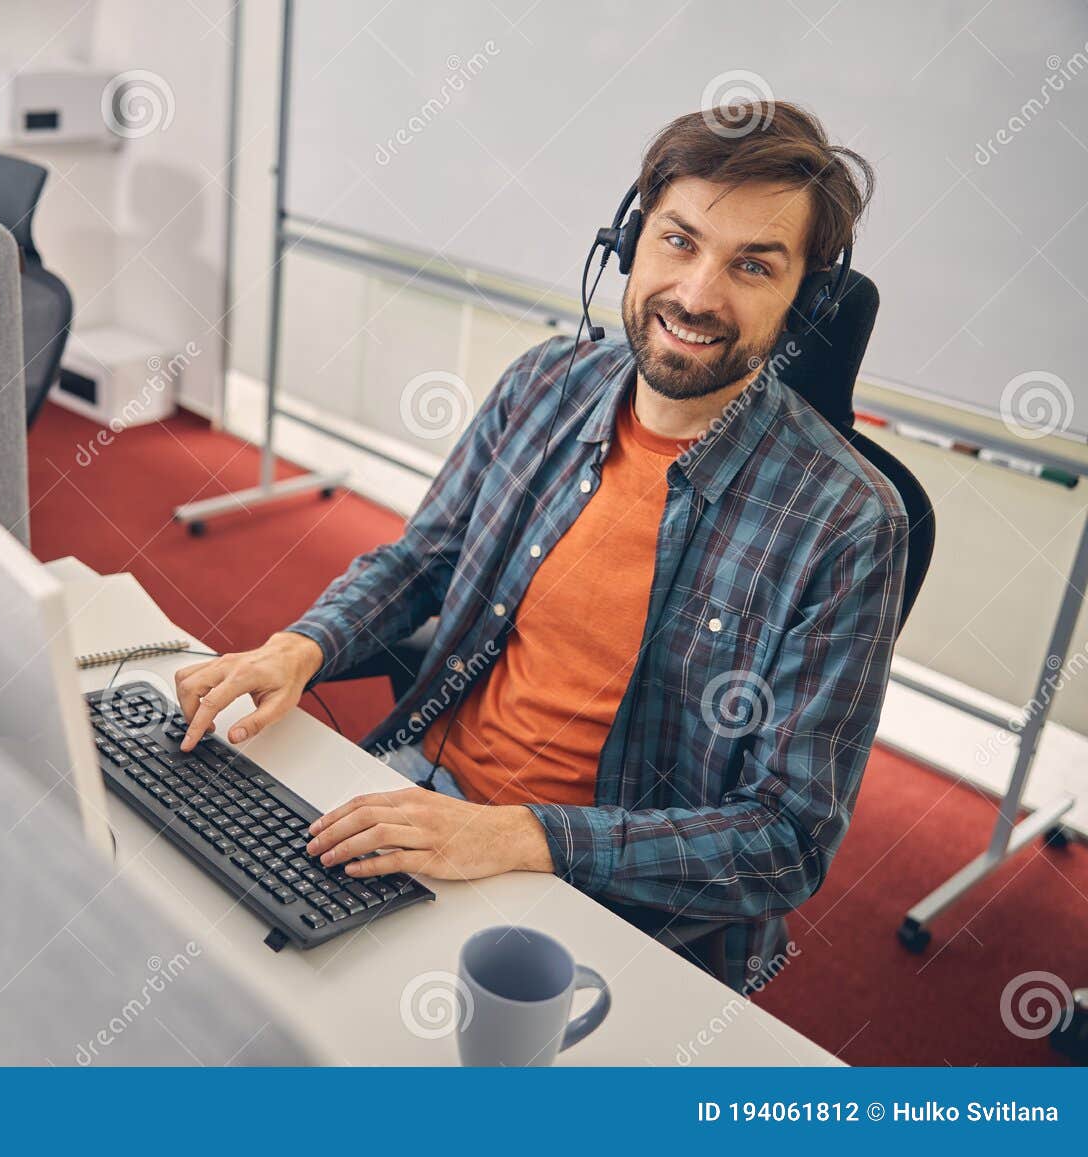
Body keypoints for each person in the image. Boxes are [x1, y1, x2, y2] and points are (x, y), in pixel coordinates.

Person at [174, 101, 907, 991]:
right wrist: (304, 646)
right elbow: (426, 558)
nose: (698, 295)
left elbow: (785, 839)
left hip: (602, 897)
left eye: (753, 265)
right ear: (630, 241)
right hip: (418, 785)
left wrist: (519, 835)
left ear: (804, 302)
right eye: (679, 241)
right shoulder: (543, 386)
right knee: (197, 935)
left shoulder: (848, 522)